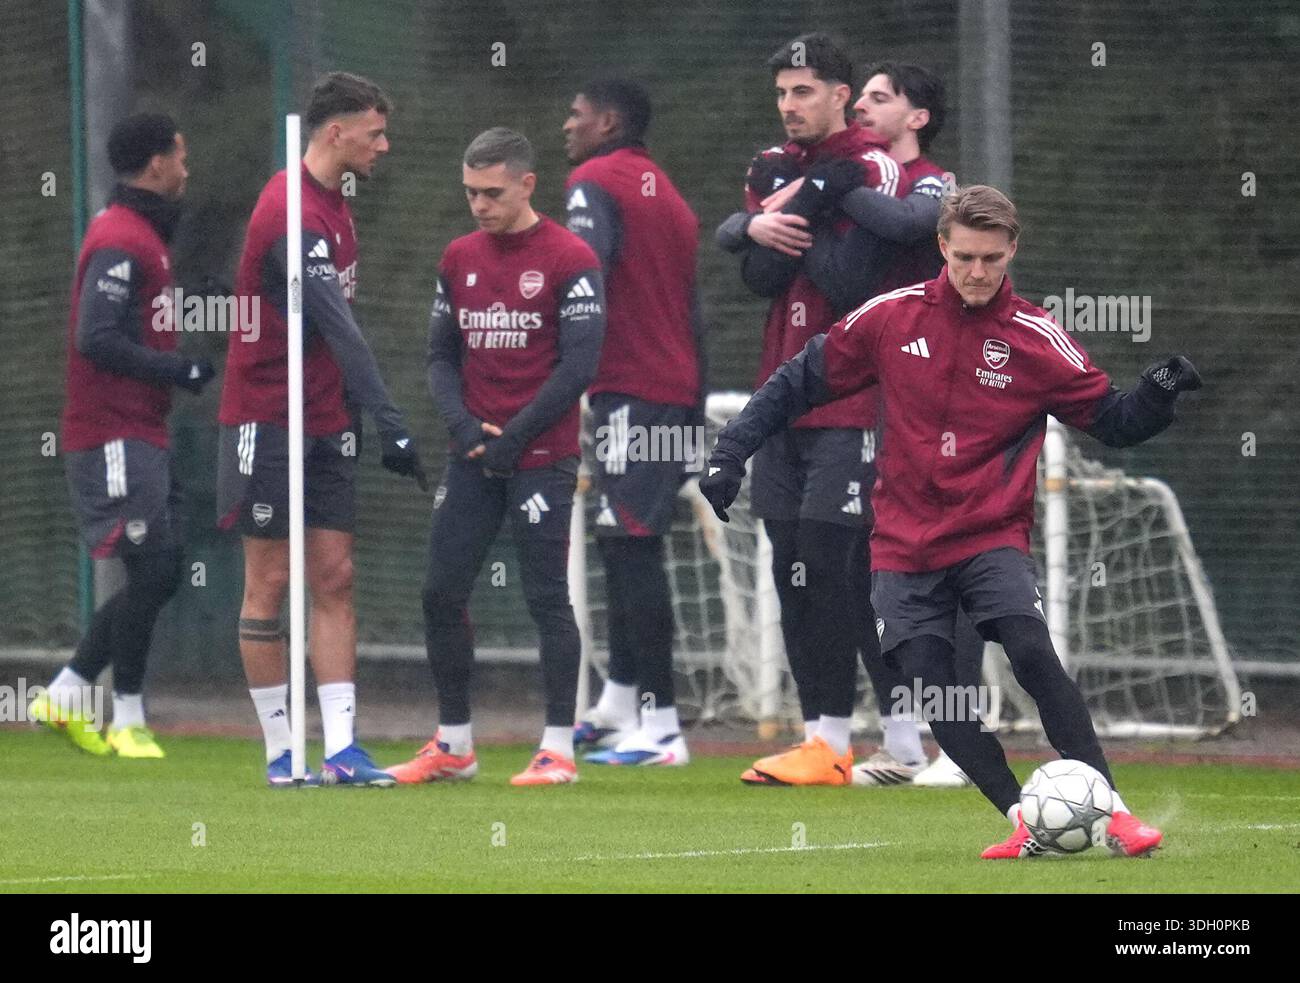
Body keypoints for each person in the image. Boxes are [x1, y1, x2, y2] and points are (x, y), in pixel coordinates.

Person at [700, 185, 1195, 858]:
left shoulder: (1035, 337)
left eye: (992, 257)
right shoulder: (891, 318)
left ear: (1012, 250)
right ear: (942, 247)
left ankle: (1115, 812)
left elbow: (1112, 420)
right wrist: (730, 452)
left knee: (1029, 649)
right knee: (943, 698)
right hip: (902, 548)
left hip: (989, 535)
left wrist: (1158, 391)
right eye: (965, 256)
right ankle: (1025, 818)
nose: (978, 271)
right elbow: (797, 382)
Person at [217, 72, 426, 787]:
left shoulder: (339, 207)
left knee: (336, 574)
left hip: (329, 414)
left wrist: (367, 413)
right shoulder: (288, 208)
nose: (383, 145)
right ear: (335, 131)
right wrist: (393, 418)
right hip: (268, 414)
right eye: (374, 133)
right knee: (270, 580)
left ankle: (342, 749)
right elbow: (335, 325)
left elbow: (336, 332)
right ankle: (282, 749)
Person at [385, 128, 606, 787]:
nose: (478, 205)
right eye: (470, 193)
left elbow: (579, 367)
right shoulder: (458, 257)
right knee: (439, 590)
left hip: (541, 456)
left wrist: (516, 436)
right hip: (471, 455)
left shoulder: (571, 258)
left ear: (527, 183)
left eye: (491, 193)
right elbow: (440, 356)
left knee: (546, 597)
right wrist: (461, 423)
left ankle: (559, 747)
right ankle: (454, 744)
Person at [715, 33, 907, 786]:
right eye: (782, 93)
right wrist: (755, 226)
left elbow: (854, 277)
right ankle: (823, 741)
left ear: (839, 93)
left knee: (845, 565)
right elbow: (761, 275)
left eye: (804, 91)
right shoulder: (772, 169)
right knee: (791, 565)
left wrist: (794, 215)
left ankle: (905, 735)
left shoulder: (871, 163)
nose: (790, 105)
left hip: (856, 395)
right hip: (783, 397)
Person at [32, 113, 212, 760]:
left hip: (140, 430)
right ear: (158, 163)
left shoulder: (144, 235)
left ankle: (66, 691)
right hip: (110, 433)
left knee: (161, 570)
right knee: (154, 566)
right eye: (181, 156)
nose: (187, 170)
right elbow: (96, 337)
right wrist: (178, 367)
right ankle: (128, 717)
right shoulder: (120, 237)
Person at [562, 79, 703, 767]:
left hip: (632, 389)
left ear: (609, 121)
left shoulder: (593, 181)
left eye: (578, 114)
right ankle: (621, 698)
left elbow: (585, 279)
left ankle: (664, 726)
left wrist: (563, 375)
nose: (568, 125)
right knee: (621, 541)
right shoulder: (667, 193)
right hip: (671, 391)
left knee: (633, 544)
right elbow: (688, 304)